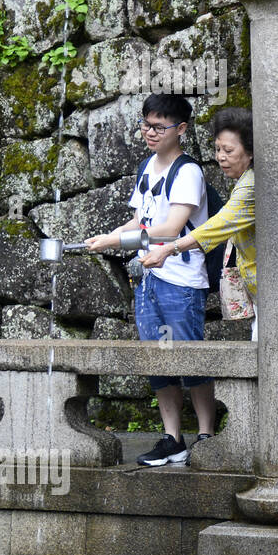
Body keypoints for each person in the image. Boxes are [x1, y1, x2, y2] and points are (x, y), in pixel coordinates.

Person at [86, 94, 214, 467]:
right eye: (146, 125)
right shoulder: (147, 167)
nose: (150, 133)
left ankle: (205, 435)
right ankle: (172, 437)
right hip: (148, 278)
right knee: (157, 359)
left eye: (159, 127)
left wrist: (116, 240)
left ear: (182, 129)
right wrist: (109, 235)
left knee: (189, 357)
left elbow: (170, 227)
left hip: (181, 278)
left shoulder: (188, 171)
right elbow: (141, 220)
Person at [142, 107, 257, 340]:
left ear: (251, 152)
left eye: (228, 150)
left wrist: (169, 248)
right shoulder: (246, 179)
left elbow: (216, 227)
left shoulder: (252, 185)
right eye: (217, 149)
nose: (220, 157)